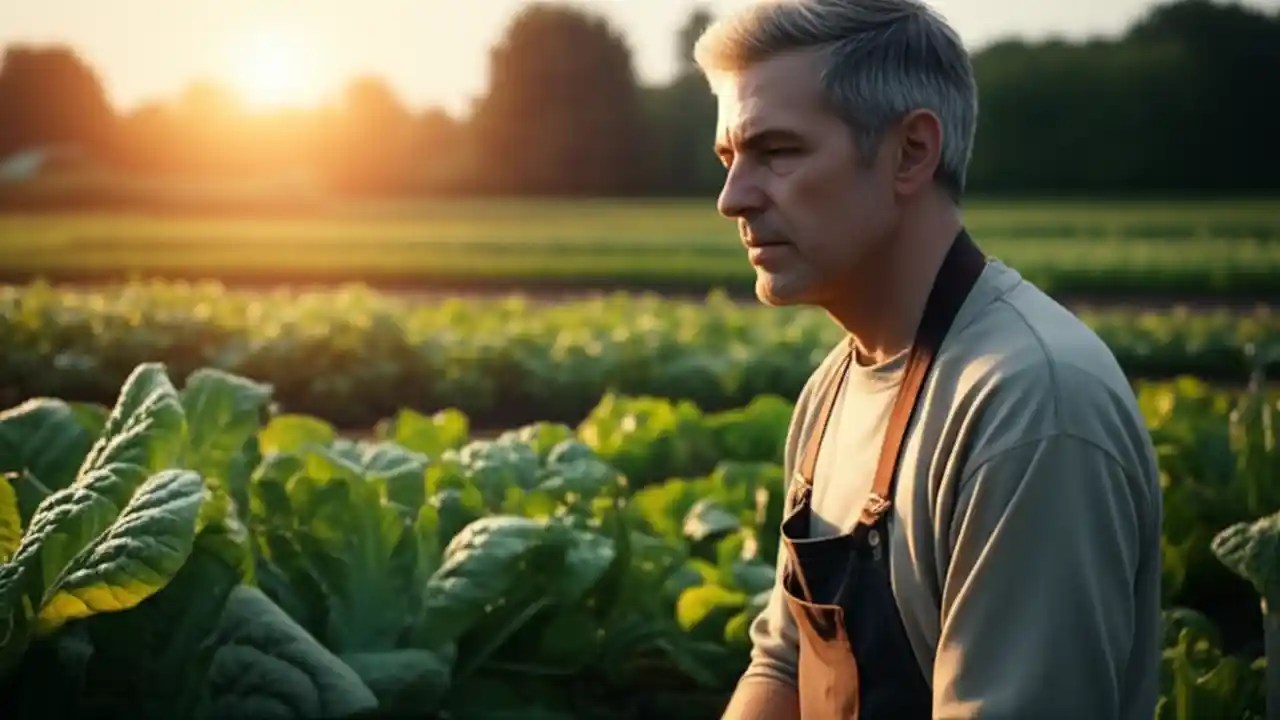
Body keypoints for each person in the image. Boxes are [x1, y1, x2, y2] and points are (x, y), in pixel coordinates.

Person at [691, 1, 1164, 718]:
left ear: (912, 152)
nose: (733, 198)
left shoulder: (1031, 403)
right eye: (730, 158)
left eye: (778, 152)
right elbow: (784, 666)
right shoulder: (834, 389)